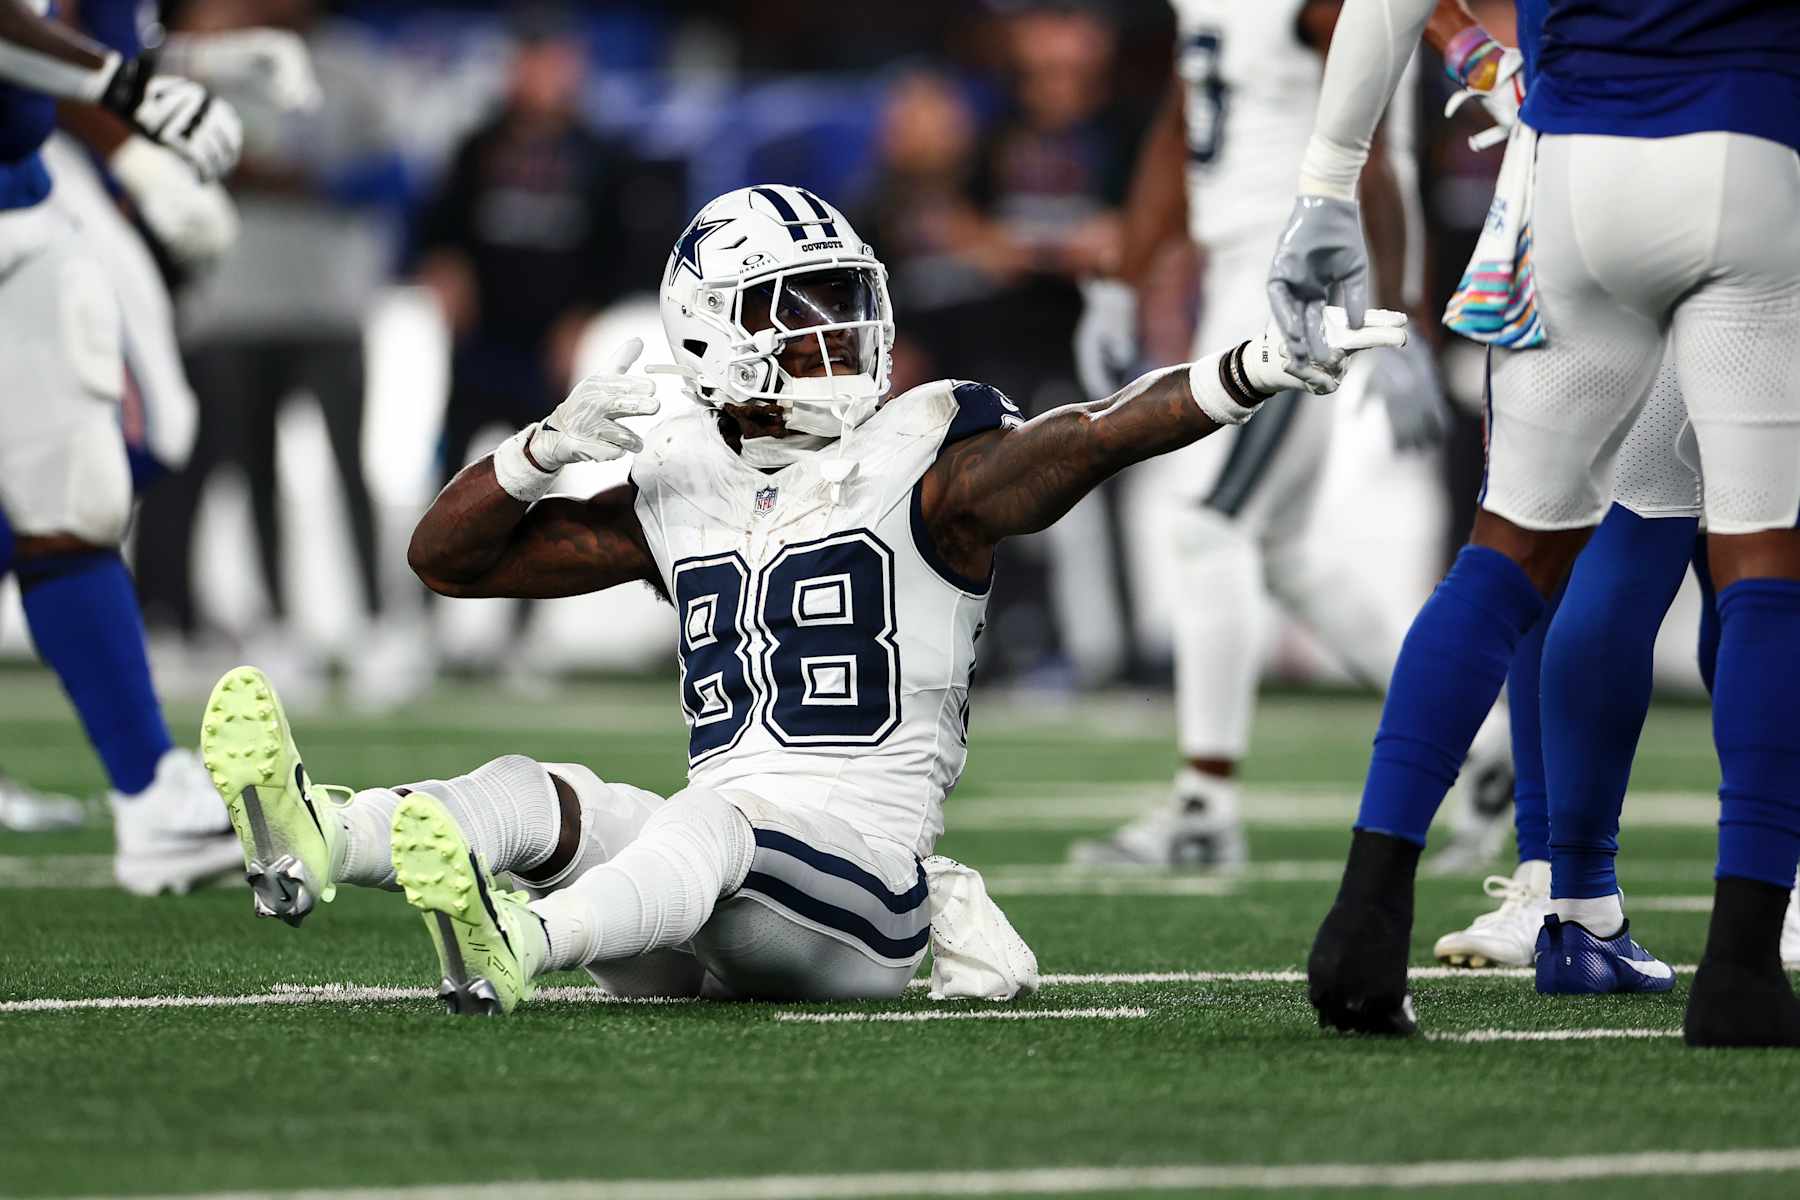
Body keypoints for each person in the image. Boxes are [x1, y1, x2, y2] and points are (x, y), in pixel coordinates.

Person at [196, 183, 1405, 1011]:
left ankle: (524, 943)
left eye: (843, 300)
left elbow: (1089, 437)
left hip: (861, 900)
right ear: (709, 337)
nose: (842, 334)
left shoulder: (933, 469)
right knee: (539, 792)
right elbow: (445, 561)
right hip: (708, 892)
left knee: (701, 827)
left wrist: (1250, 369)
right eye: (799, 312)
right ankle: (316, 840)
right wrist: (540, 451)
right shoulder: (679, 489)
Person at [1269, 0, 1800, 1046]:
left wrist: (1326, 182)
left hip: (1570, 171)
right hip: (1753, 156)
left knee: (1507, 553)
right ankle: (1739, 961)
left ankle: (1373, 917)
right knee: (1765, 563)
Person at [1066, 0, 1504, 871]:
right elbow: (1184, 117)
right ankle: (1492, 753)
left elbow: (1372, 140)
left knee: (1211, 524)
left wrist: (1400, 309)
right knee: (1283, 551)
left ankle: (1204, 807)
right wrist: (1125, 275)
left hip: (1294, 280)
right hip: (1238, 270)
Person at [0, 0, 245, 890]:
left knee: (77, 498)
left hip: (23, 205)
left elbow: (64, 55)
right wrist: (129, 91)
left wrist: (138, 141)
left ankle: (147, 797)